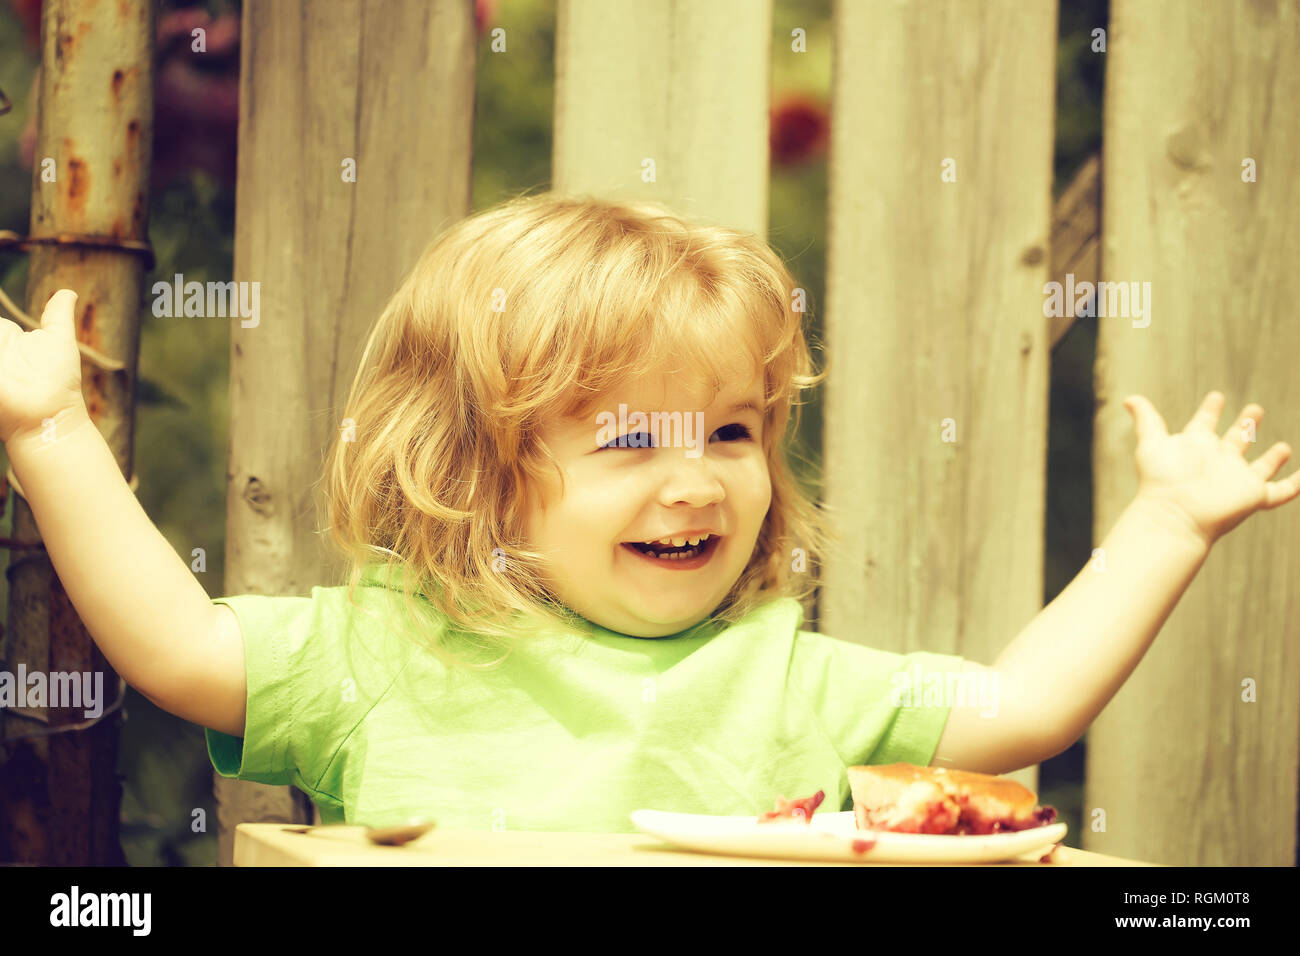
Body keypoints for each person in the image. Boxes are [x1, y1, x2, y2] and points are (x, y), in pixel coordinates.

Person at [3, 193, 1296, 832]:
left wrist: (1169, 525)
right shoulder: (381, 655)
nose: (697, 478)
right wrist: (51, 433)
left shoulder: (783, 678)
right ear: (469, 469)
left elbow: (1024, 715)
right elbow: (173, 649)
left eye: (731, 431)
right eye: (632, 441)